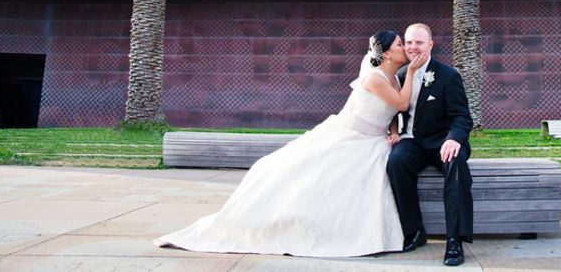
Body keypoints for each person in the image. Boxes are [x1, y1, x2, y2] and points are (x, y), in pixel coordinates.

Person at [154, 30, 429, 257]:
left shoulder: (394, 77)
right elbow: (402, 102)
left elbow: (392, 110)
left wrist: (392, 129)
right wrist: (415, 72)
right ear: (385, 52)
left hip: (372, 141)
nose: (405, 48)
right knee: (299, 175)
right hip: (350, 137)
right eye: (399, 44)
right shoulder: (374, 78)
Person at [388, 23, 474, 267]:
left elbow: (462, 117)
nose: (413, 47)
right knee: (395, 162)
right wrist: (392, 132)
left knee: (456, 165)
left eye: (419, 42)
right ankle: (414, 232)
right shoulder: (401, 75)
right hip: (413, 142)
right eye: (409, 42)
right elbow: (392, 110)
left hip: (444, 141)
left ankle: (455, 240)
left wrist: (454, 138)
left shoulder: (448, 76)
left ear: (430, 45)